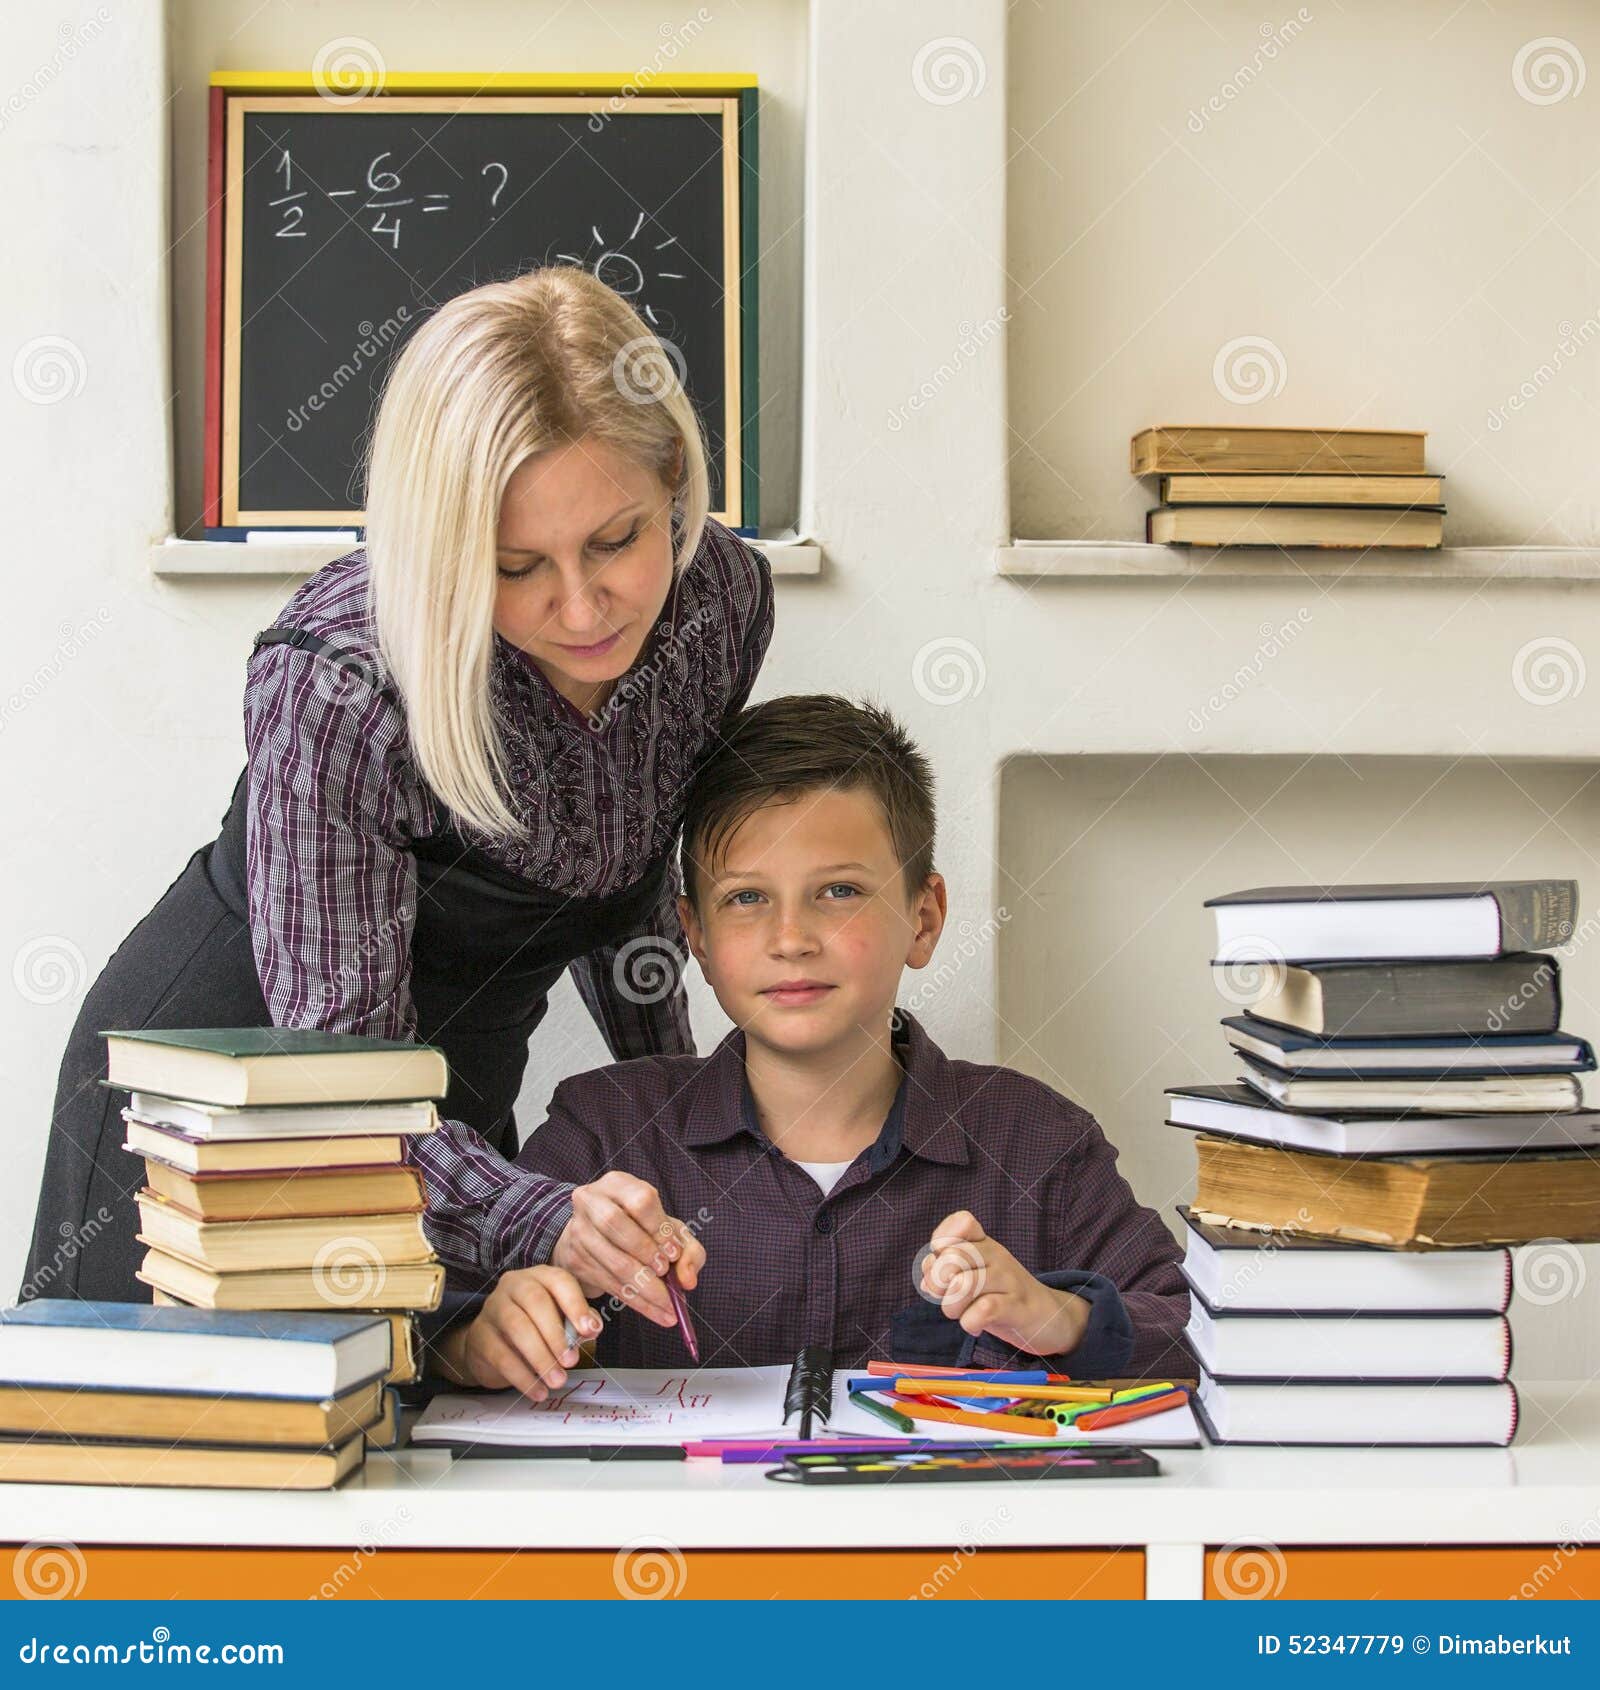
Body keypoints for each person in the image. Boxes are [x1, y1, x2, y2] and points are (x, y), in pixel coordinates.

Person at [20, 266, 770, 1341]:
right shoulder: (342, 680)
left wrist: (678, 1111)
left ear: (675, 484)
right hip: (217, 1113)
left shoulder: (721, 602)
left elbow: (631, 864)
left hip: (445, 1105)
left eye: (617, 539)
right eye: (515, 566)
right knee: (178, 1472)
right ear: (443, 547)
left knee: (438, 1436)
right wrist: (536, 1212)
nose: (583, 604)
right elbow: (337, 1083)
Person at [433, 695, 1192, 1400]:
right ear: (692, 932)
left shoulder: (1037, 1142)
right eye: (746, 898)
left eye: (839, 892)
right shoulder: (605, 1129)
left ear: (923, 919)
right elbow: (424, 1315)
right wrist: (475, 1341)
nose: (791, 939)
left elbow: (1192, 1334)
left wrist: (1058, 1319)